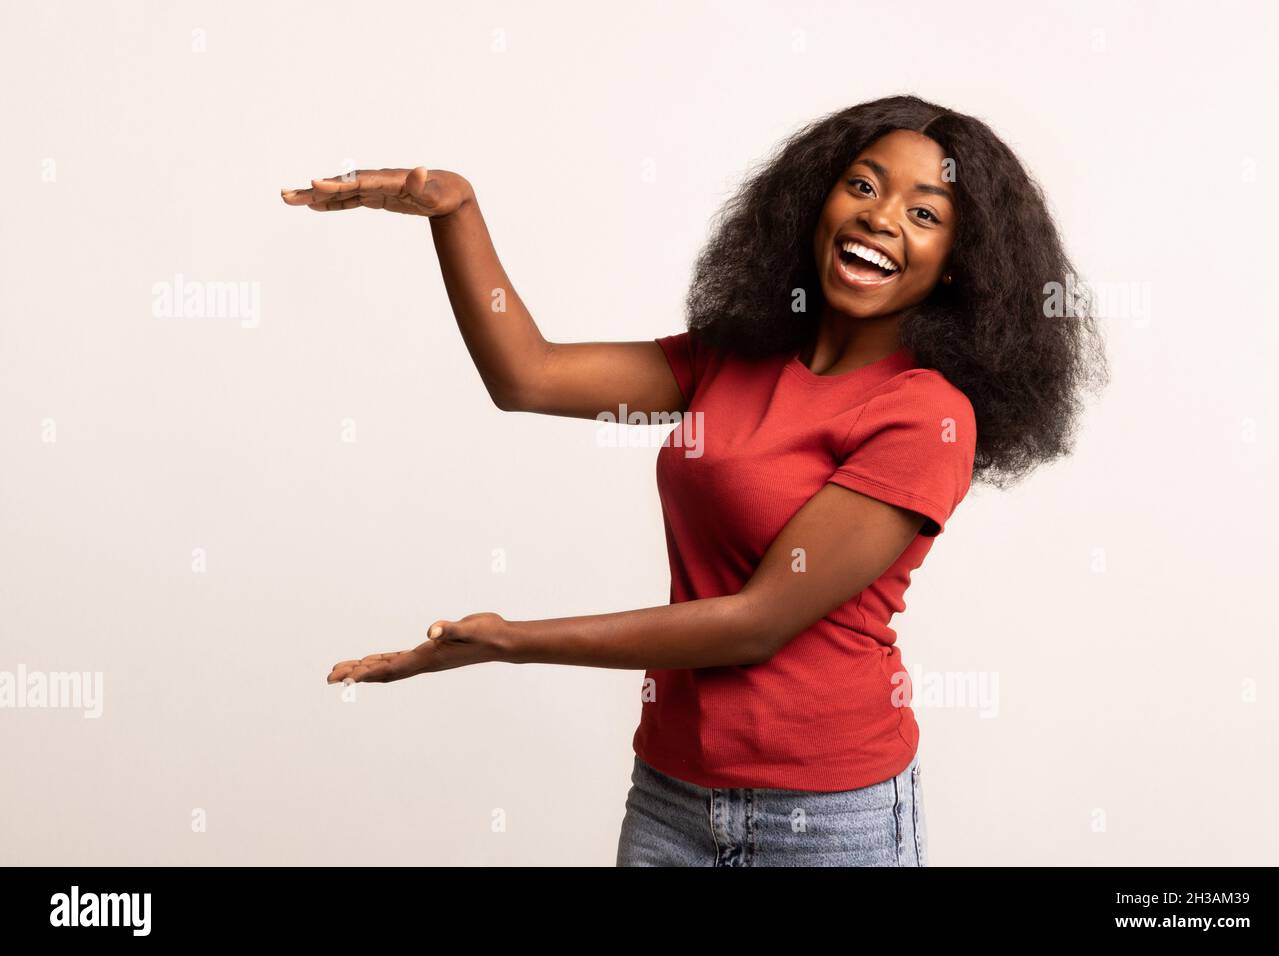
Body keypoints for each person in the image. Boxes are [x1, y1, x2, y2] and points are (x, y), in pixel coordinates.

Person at [282, 94, 1107, 866]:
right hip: (672, 794)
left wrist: (512, 642)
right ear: (816, 201)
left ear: (959, 264)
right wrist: (456, 213)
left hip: (829, 818)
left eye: (924, 213)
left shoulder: (925, 415)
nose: (881, 217)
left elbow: (755, 623)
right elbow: (526, 375)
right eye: (862, 185)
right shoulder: (733, 358)